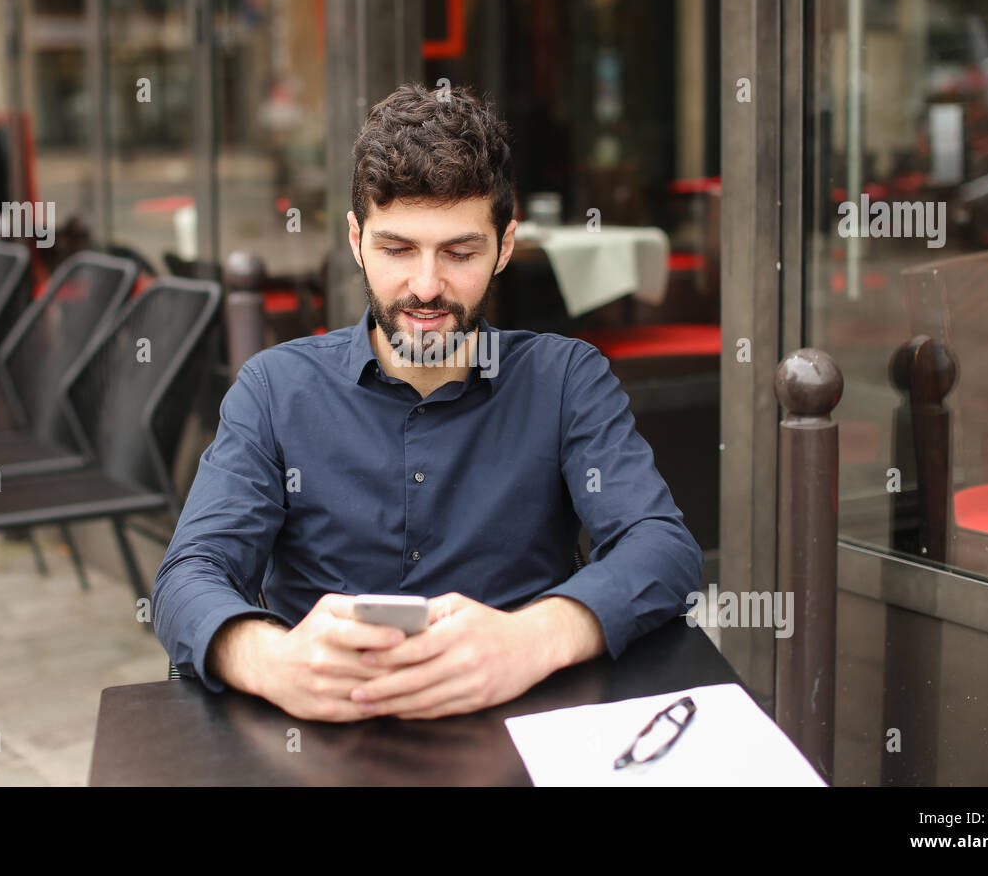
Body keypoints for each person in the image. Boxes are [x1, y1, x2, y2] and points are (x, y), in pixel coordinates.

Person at [153, 82, 702, 722]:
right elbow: (189, 574)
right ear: (356, 240)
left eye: (460, 252)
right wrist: (275, 661)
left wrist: (532, 639)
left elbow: (661, 546)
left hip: (519, 726)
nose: (426, 286)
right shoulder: (276, 388)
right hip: (319, 739)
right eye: (397, 249)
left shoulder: (564, 379)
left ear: (506, 246)